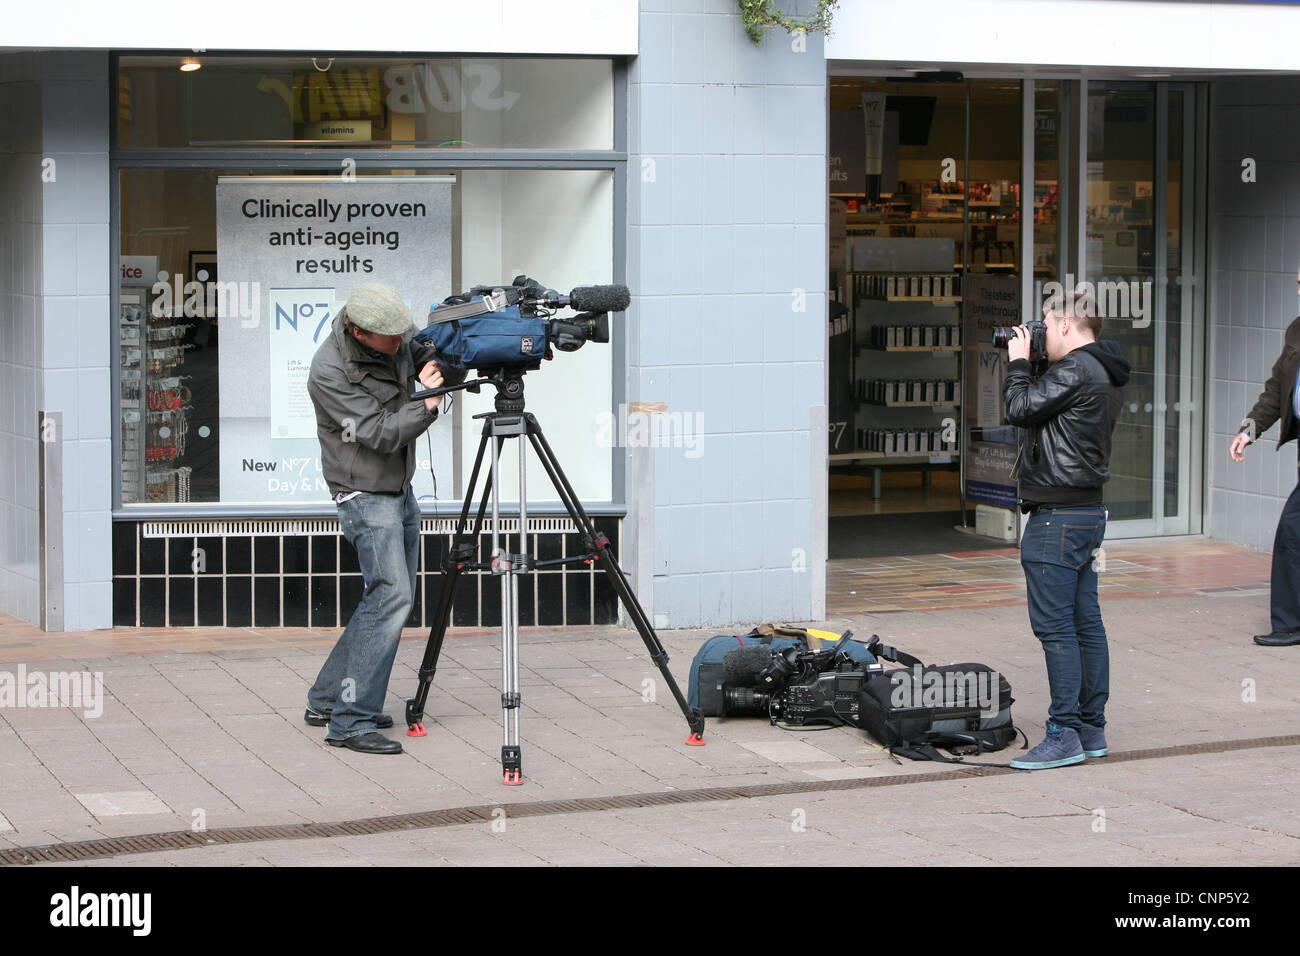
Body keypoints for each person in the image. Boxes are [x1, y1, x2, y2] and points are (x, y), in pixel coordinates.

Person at [304, 282, 459, 755]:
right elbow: (378, 432)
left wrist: (446, 351)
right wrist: (429, 403)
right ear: (358, 331)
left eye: (402, 335)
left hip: (396, 487)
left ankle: (329, 699)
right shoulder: (328, 371)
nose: (401, 344)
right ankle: (350, 723)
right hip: (364, 495)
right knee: (392, 597)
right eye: (391, 340)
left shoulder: (391, 332)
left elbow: (418, 347)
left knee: (384, 598)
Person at [1001, 289, 1131, 770]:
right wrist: (1036, 364)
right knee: (1085, 623)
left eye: (1045, 324)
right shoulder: (1100, 369)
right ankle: (1090, 727)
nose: (1039, 333)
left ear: (1064, 325)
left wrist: (1018, 362)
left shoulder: (1077, 370)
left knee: (1057, 629)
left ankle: (1064, 734)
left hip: (1056, 517)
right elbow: (1046, 413)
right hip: (1085, 512)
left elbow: (1019, 409)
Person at [1230, 269, 1300, 647]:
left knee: (1292, 530)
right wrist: (1249, 430)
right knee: (1294, 533)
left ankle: (1290, 624)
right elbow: (1276, 389)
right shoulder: (1296, 330)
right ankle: (1290, 623)